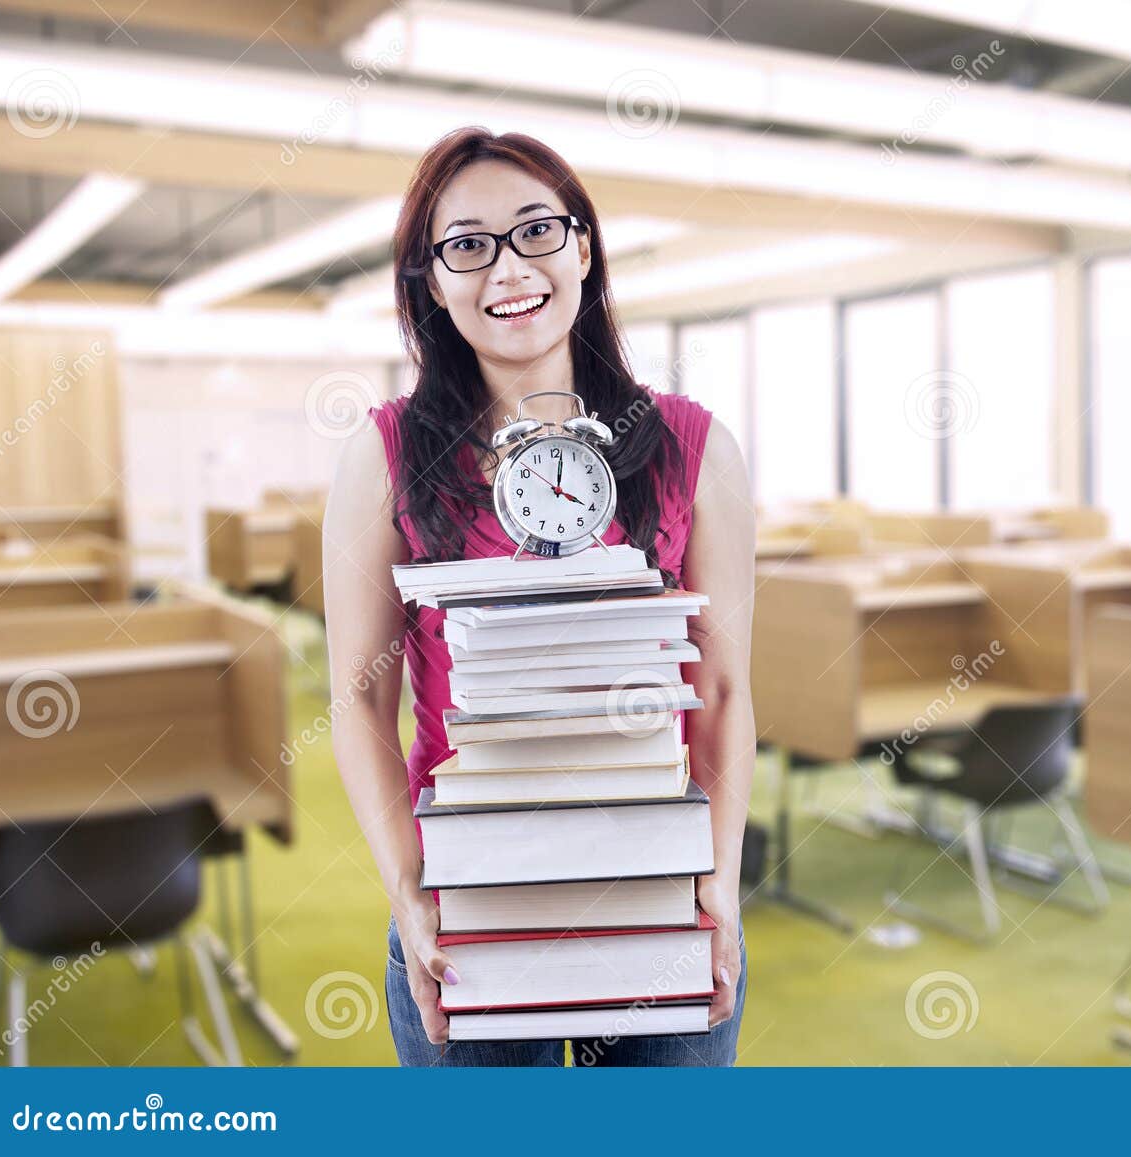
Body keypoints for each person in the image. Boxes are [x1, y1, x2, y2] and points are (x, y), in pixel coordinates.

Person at [323, 126, 755, 1066]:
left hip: (658, 887)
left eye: (535, 231)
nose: (508, 267)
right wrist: (410, 890)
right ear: (431, 282)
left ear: (584, 247)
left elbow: (721, 692)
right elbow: (360, 695)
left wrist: (719, 877)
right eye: (467, 245)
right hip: (469, 891)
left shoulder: (690, 444)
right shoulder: (386, 454)